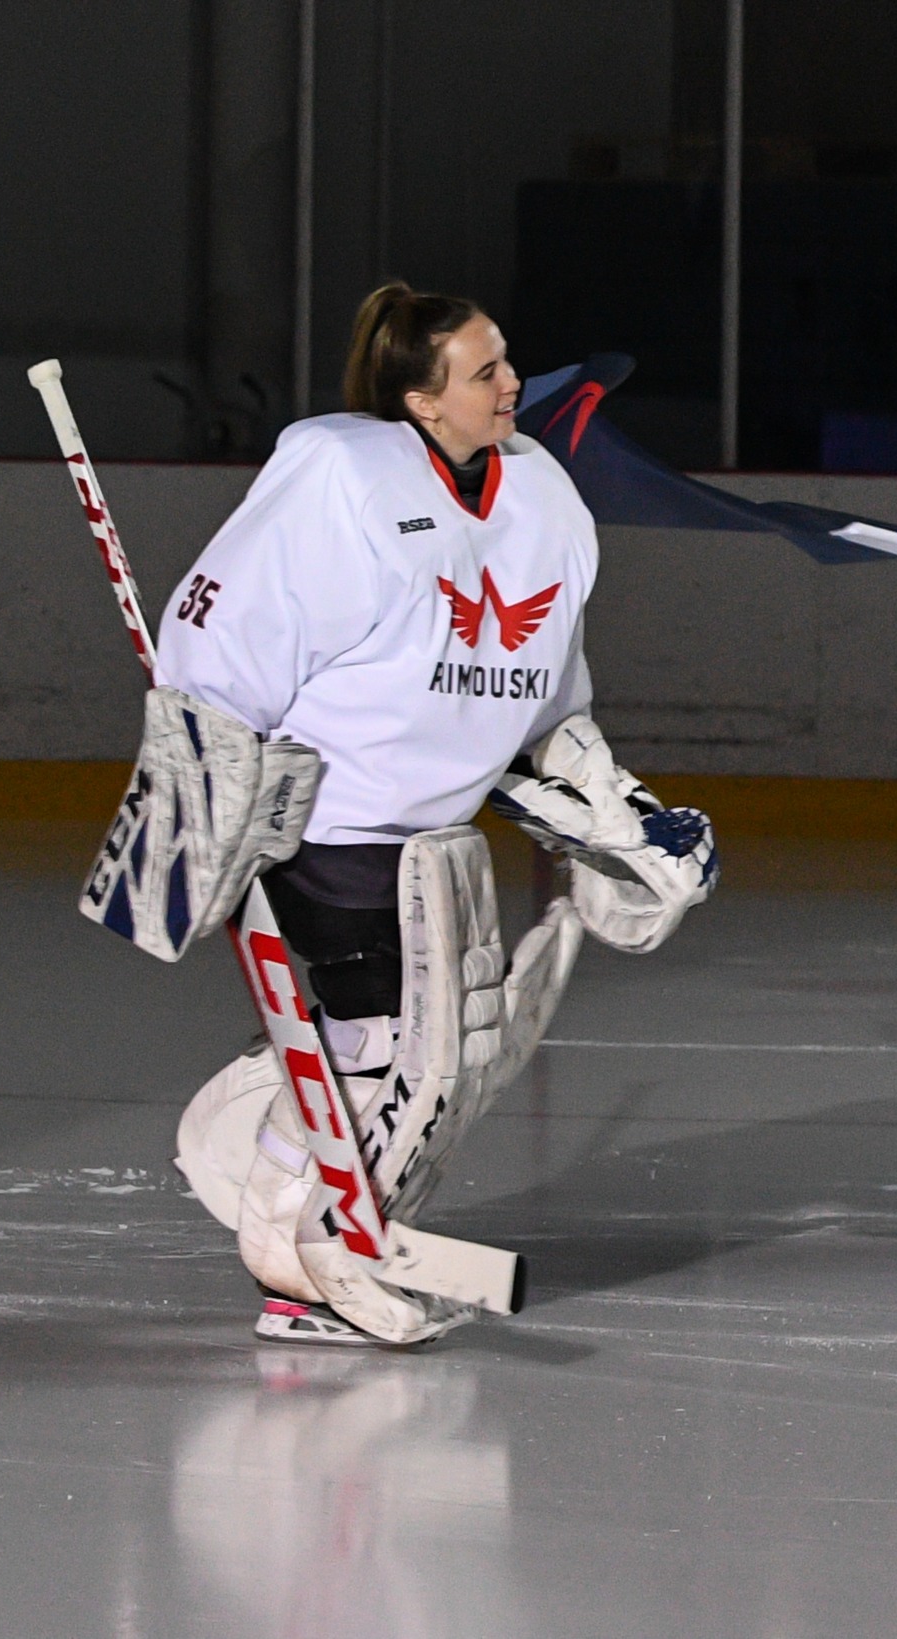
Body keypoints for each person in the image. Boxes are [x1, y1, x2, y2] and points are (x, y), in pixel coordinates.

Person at [153, 283, 716, 1344]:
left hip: (437, 832)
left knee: (431, 1049)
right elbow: (217, 646)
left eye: (506, 360)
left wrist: (617, 812)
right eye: (484, 371)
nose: (512, 384)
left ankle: (282, 1168)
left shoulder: (540, 497)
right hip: (332, 824)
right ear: (420, 400)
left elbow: (549, 691)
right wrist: (212, 793)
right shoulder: (341, 478)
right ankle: (304, 1253)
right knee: (415, 1053)